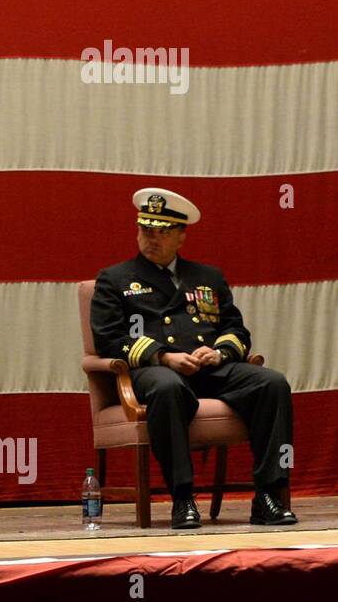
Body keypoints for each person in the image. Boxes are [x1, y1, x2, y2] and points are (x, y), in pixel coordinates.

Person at [90, 188, 297, 529]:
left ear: (181, 237)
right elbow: (109, 339)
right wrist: (164, 356)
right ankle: (182, 497)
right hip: (154, 371)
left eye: (162, 232)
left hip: (209, 369)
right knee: (168, 387)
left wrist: (220, 352)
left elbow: (236, 330)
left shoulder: (207, 277)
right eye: (145, 230)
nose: (151, 239)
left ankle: (268, 494)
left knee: (272, 383)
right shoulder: (115, 279)